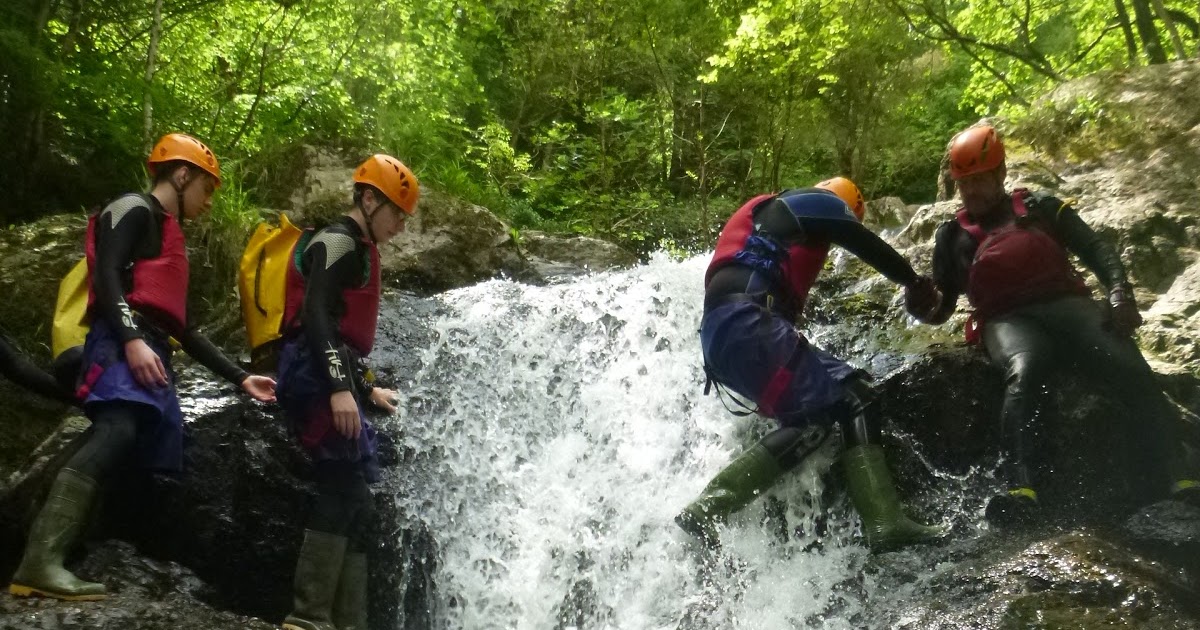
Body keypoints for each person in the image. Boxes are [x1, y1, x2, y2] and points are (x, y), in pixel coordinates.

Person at [6, 133, 277, 601]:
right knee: (118, 430)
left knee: (141, 450)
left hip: (149, 347)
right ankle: (40, 561)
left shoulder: (167, 234)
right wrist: (131, 340)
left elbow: (185, 328)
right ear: (182, 173)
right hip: (119, 340)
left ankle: (69, 551)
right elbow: (108, 273)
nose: (209, 202)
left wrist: (239, 376)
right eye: (207, 189)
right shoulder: (132, 208)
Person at [906, 124, 1199, 524]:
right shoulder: (952, 237)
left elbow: (1095, 248)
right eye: (963, 183)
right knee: (1025, 371)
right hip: (1007, 320)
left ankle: (1179, 476)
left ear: (1000, 174)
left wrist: (1119, 294)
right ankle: (1022, 487)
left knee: (1124, 361)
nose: (971, 191)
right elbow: (942, 308)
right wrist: (921, 306)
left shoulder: (1041, 207)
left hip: (1068, 306)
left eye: (979, 180)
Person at [677, 177, 946, 552]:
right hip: (751, 321)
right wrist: (913, 281)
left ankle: (710, 507)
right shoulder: (819, 202)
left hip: (721, 337)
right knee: (858, 399)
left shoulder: (768, 221)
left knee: (812, 419)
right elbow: (863, 242)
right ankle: (886, 523)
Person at [275, 154, 416, 630]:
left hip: (329, 369)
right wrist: (339, 389)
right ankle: (308, 615)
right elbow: (317, 316)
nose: (401, 224)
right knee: (342, 485)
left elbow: (341, 335)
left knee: (359, 499)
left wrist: (366, 388)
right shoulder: (337, 240)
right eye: (397, 211)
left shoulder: (355, 245)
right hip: (313, 371)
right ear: (370, 198)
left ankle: (346, 621)